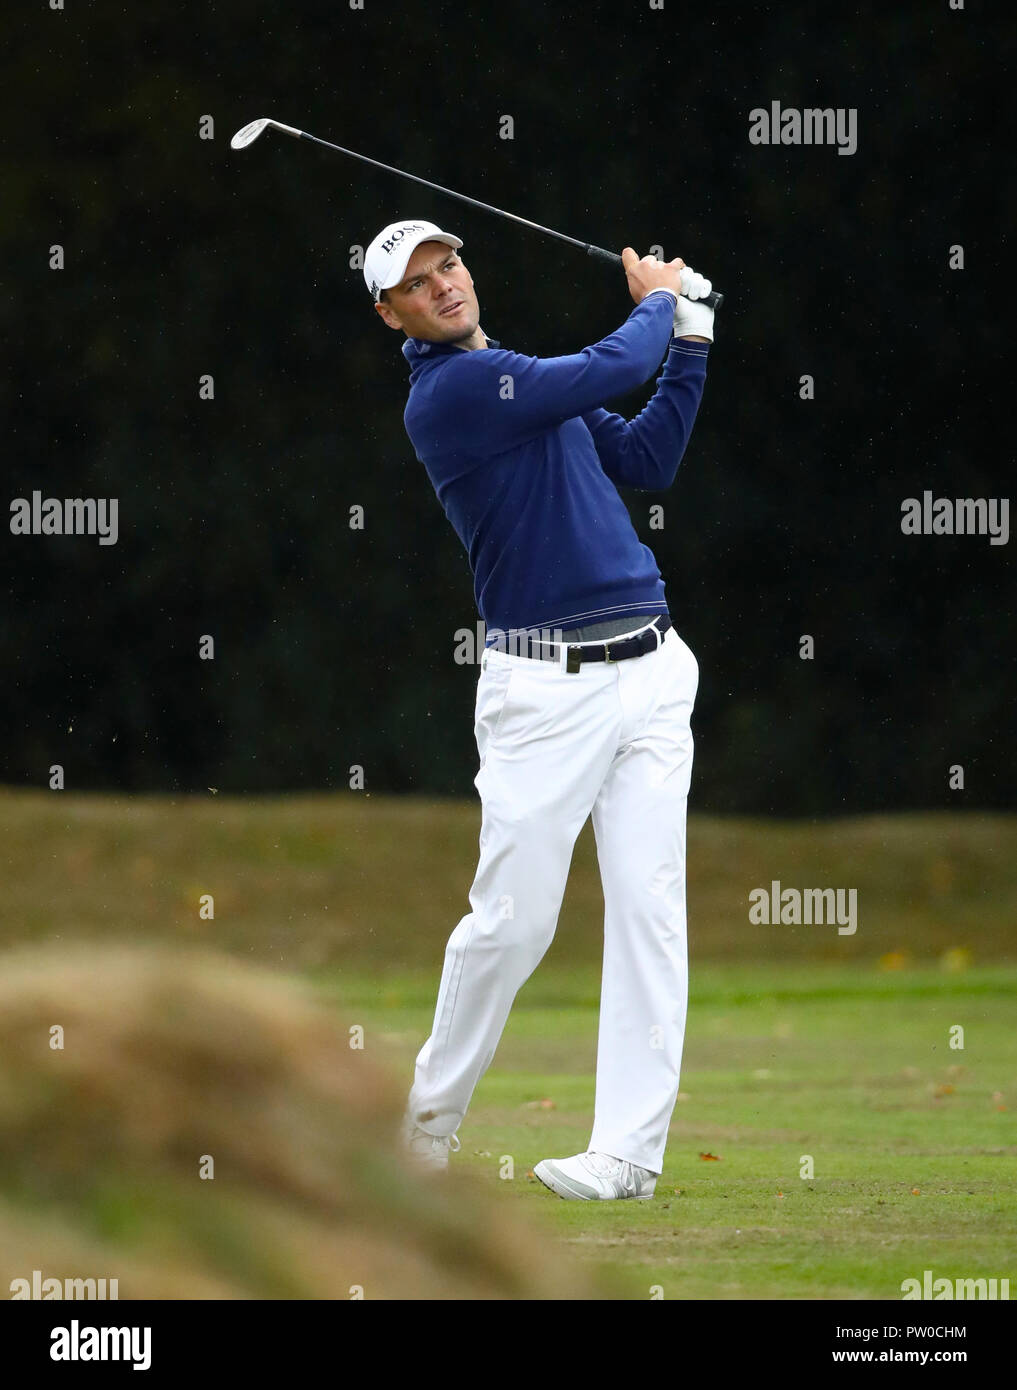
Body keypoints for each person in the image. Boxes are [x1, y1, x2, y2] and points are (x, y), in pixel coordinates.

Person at [365, 218, 714, 1200]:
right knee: (513, 925)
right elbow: (608, 367)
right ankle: (423, 1134)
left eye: (451, 265)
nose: (445, 285)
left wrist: (689, 340)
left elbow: (648, 456)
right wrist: (658, 300)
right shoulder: (457, 396)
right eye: (420, 283)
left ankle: (628, 1156)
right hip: (542, 692)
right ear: (391, 314)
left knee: (650, 914)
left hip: (650, 667)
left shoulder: (517, 379)